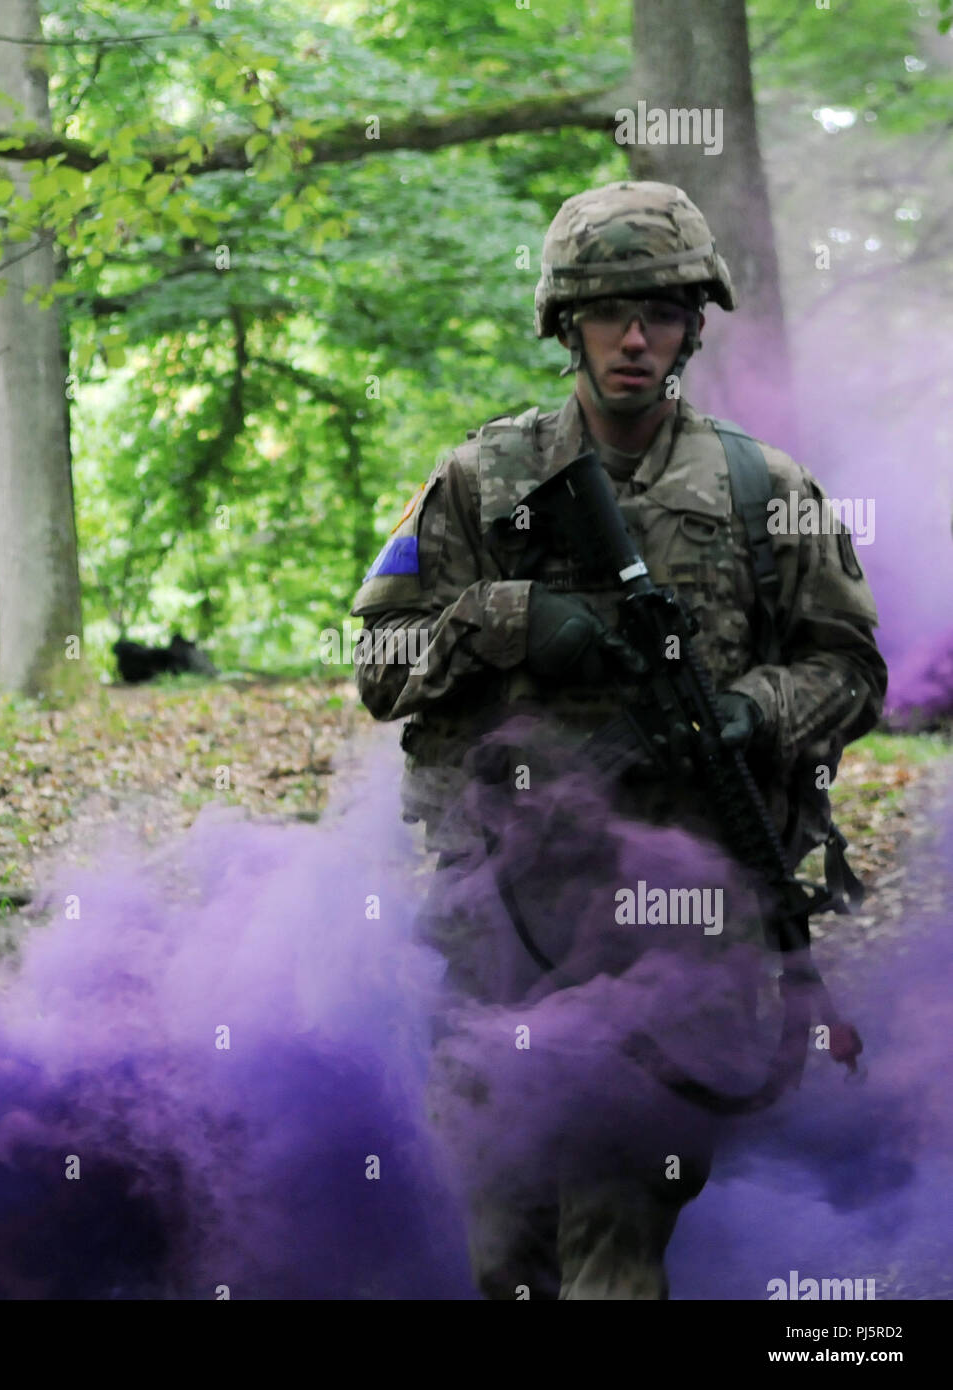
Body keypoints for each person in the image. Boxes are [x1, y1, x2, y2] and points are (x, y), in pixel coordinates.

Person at [350, 181, 888, 1299]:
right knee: (505, 1246)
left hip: (679, 927)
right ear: (564, 323)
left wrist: (751, 711)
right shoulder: (478, 482)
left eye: (658, 311)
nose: (633, 337)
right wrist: (506, 618)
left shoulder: (760, 491)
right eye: (608, 312)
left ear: (693, 324)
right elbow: (377, 668)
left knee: (610, 1224)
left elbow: (849, 670)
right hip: (499, 914)